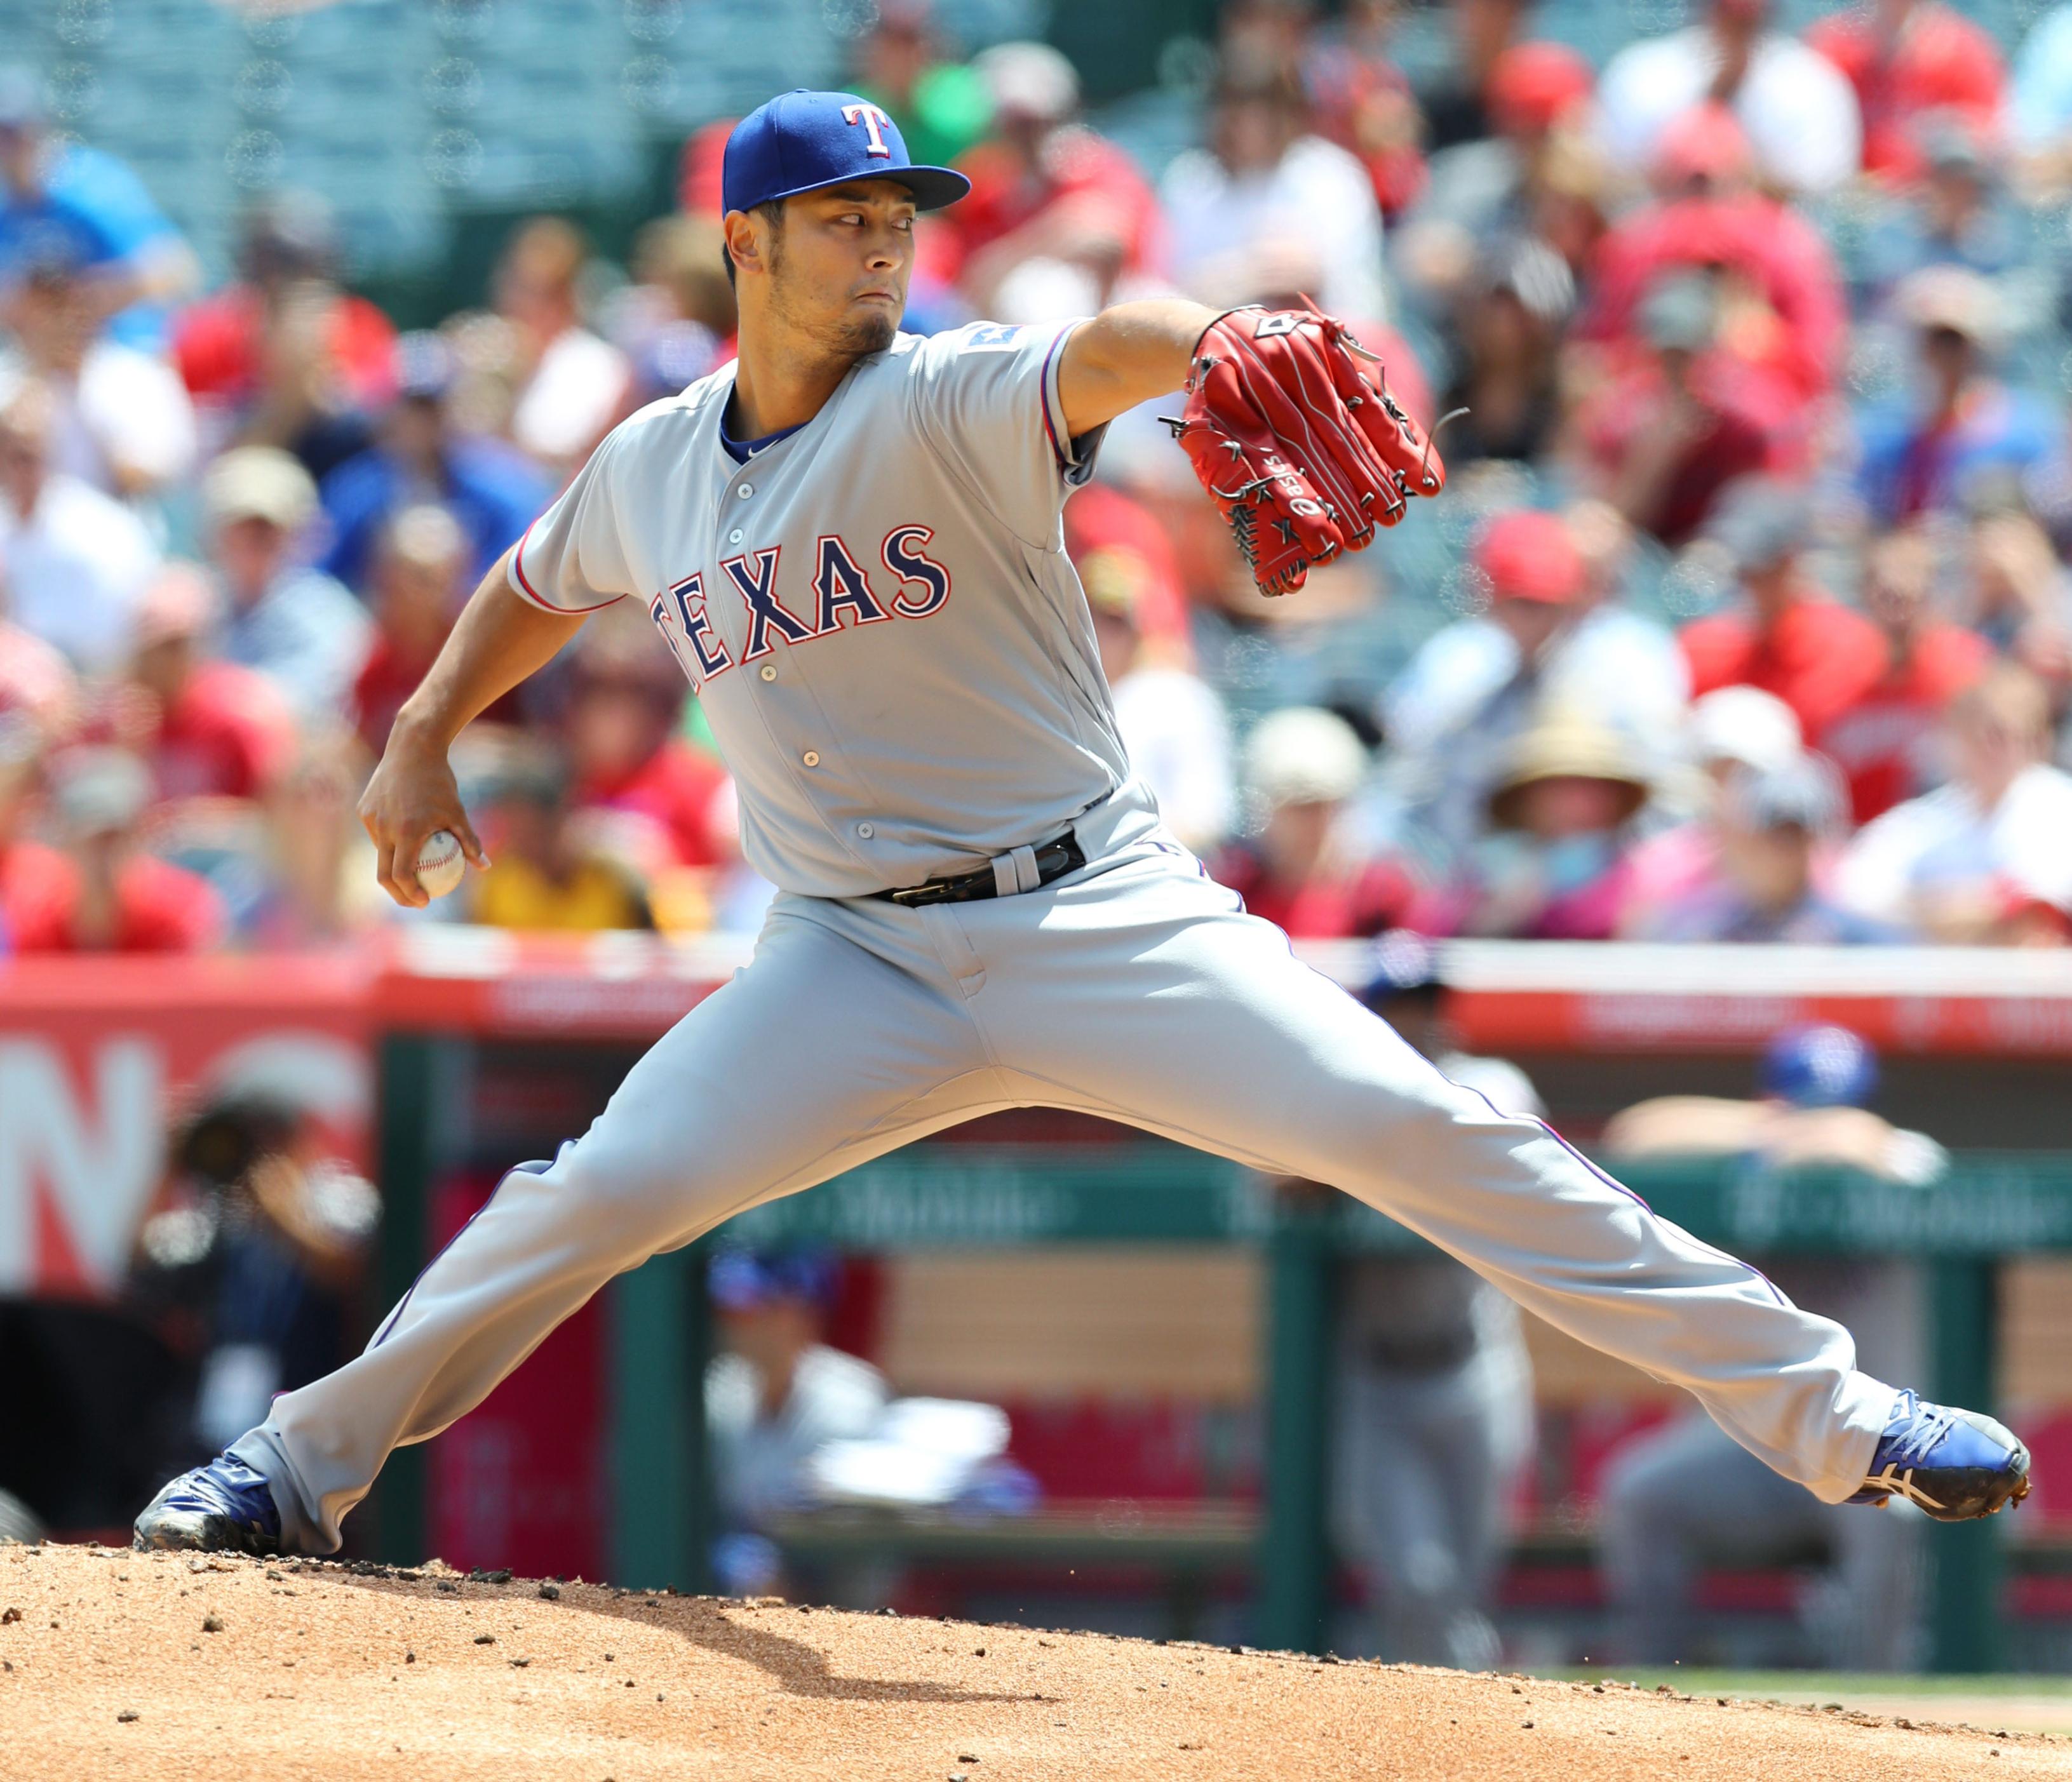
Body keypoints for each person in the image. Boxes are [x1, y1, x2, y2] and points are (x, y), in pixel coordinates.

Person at [135, 86, 2028, 1561]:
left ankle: (1845, 1420)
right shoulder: (654, 462)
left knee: (1421, 1127)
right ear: (745, 245)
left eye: (896, 219)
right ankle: (291, 1469)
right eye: (842, 223)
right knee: (596, 1197)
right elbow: (539, 583)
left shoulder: (949, 397)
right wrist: (418, 735)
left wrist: (1213, 339)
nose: (882, 251)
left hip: (1097, 912)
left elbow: (1105, 348)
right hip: (848, 954)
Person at [1596, 1024, 1932, 1669]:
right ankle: (1656, 1691)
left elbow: (1860, 1145)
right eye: (1800, 1104)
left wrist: (1808, 1132)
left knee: (1895, 1521)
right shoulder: (1743, 1154)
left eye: (1833, 1105)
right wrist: (1774, 1128)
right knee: (1640, 1492)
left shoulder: (1905, 1154)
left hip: (1880, 1440)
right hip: (1755, 1445)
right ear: (1769, 1101)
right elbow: (1636, 1134)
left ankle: (1880, 1710)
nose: (1819, 1123)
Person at [1326, 931, 1535, 1668]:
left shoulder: (1487, 1079)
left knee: (1471, 1584)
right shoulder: (1326, 1086)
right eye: (1399, 1007)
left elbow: (1489, 1129)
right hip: (1375, 1377)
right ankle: (1444, 1737)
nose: (1418, 1022)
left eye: (1427, 1004)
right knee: (1415, 1581)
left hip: (1474, 1366)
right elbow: (1267, 1173)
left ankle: (1455, 1738)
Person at [704, 1249, 891, 1605]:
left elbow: (846, 1535)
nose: (735, 1321)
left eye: (756, 1307)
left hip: (837, 1598)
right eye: (730, 1310)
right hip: (736, 1582)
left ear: (797, 1313)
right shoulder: (722, 1389)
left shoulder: (851, 1397)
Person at [1836, 662, 2072, 941]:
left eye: (2001, 734)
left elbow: (2036, 906)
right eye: (1974, 733)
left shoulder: (2059, 805)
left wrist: (1930, 906)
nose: (1989, 748)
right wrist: (1947, 908)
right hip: (1944, 979)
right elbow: (1852, 886)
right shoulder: (1931, 814)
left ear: (2037, 741)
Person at [317, 332, 550, 596]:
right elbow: (324, 578)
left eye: (429, 409)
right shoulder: (355, 489)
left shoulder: (498, 485)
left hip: (470, 622)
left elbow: (522, 568)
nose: (419, 422)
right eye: (410, 408)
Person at [1159, 53, 1385, 322]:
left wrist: (1239, 277)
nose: (1236, 121)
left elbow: (1339, 280)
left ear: (1286, 114)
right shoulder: (1191, 180)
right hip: (1213, 348)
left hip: (1323, 346)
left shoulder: (1330, 176)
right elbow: (1170, 287)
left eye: (1253, 109)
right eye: (1227, 105)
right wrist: (1251, 271)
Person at [0, 67, 198, 352]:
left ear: (37, 129)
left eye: (12, 133)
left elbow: (177, 271)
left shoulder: (89, 188)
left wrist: (84, 297)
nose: (7, 147)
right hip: (45, 364)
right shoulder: (8, 207)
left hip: (123, 349)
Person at [1676, 478, 1888, 739]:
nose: (1749, 582)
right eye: (1743, 571)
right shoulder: (1702, 647)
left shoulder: (1852, 648)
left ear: (1791, 564)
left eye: (1761, 570)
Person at [1855, 266, 2058, 526]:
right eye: (1932, 341)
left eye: (1954, 342)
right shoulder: (1883, 438)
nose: (1944, 356)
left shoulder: (2027, 433)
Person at [1594, 0, 1862, 198]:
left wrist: (1739, 181)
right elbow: (1609, 180)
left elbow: (1824, 192)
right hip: (1658, 245)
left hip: (1767, 252)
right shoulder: (1642, 73)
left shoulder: (1813, 81)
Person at [1817, 526, 1988, 826]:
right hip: (1859, 839)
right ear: (1866, 594)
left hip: (1947, 833)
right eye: (1888, 595)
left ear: (1931, 594)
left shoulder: (1966, 668)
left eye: (1910, 595)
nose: (1899, 611)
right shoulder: (1829, 674)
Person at [201, 447, 372, 728]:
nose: (252, 540)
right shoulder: (192, 604)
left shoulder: (327, 612)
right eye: (240, 526)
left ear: (297, 534)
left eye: (266, 529)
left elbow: (306, 704)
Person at [0, 373, 158, 676]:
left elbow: (128, 631)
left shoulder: (106, 528)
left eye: (30, 455)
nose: (21, 468)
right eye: (10, 454)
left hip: (92, 684)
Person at [1215, 707, 1408, 938]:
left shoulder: (1381, 894)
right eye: (1297, 806)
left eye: (1319, 805)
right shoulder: (1235, 890)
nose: (1308, 822)